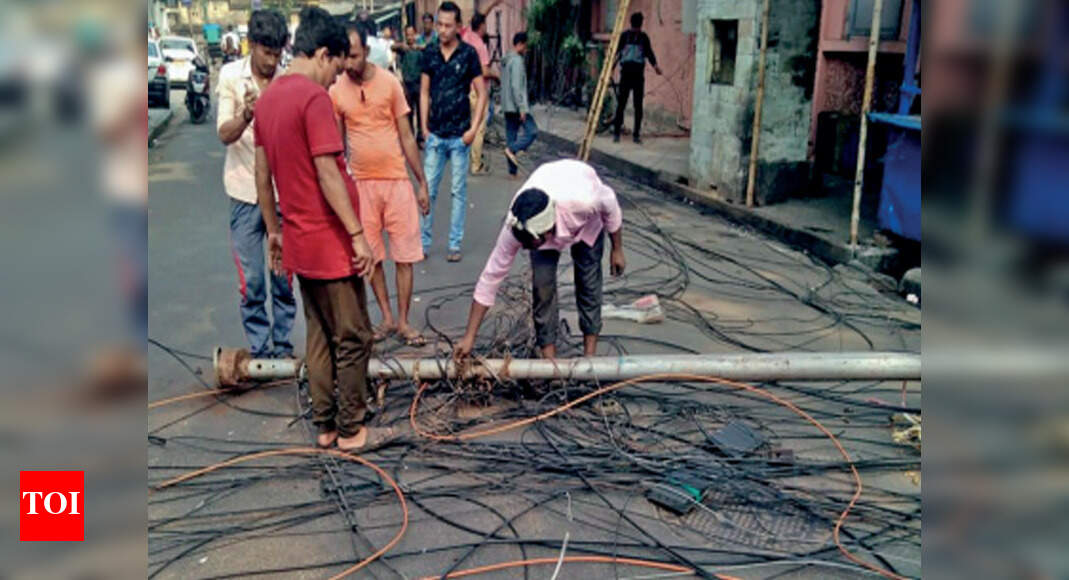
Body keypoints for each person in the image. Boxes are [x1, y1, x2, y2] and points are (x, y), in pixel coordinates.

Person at [253, 6, 386, 452]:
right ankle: (350, 428)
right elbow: (328, 173)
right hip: (329, 242)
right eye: (337, 66)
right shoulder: (313, 99)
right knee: (353, 336)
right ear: (323, 54)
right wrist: (357, 235)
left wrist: (274, 231)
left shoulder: (268, 99)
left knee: (319, 336)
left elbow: (262, 174)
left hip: (299, 241)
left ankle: (325, 424)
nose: (336, 78)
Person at [454, 160, 626, 360]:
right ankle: (549, 361)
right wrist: (469, 337)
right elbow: (490, 277)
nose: (526, 249)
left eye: (530, 244)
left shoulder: (585, 201)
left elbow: (610, 203)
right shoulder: (516, 225)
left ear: (546, 231)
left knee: (588, 283)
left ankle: (590, 356)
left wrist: (617, 249)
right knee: (542, 288)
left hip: (587, 223)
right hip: (548, 203)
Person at [330, 24, 431, 347]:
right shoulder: (337, 91)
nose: (349, 64)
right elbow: (336, 147)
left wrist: (421, 182)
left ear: (367, 51)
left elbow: (406, 136)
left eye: (354, 56)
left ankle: (403, 322)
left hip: (397, 181)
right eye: (345, 57)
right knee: (371, 257)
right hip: (361, 185)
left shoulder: (390, 83)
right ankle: (386, 317)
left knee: (404, 256)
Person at [216, 9, 294, 359]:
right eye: (266, 53)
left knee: (283, 278)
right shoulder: (231, 76)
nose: (272, 61)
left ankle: (283, 347)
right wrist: (247, 114)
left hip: (281, 196)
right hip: (244, 194)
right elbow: (224, 134)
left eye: (277, 54)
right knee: (252, 282)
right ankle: (260, 352)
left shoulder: (288, 80)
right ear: (251, 45)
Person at [419, 1, 487, 263]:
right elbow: (424, 92)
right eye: (440, 24)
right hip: (435, 135)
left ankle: (454, 244)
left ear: (459, 26)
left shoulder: (468, 54)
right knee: (429, 191)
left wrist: (473, 129)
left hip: (460, 136)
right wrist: (424, 128)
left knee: (458, 193)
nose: (443, 30)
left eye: (448, 25)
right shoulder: (430, 52)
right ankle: (423, 243)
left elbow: (482, 94)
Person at [612, 12, 662, 144]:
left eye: (638, 27)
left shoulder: (644, 38)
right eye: (635, 26)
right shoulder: (624, 36)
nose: (636, 29)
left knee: (638, 106)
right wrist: (611, 66)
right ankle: (616, 133)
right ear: (632, 24)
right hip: (625, 74)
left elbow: (649, 53)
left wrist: (655, 66)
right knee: (621, 104)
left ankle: (636, 134)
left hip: (638, 76)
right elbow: (616, 52)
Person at [460, 8, 499, 174]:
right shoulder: (480, 45)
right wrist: (496, 75)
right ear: (481, 26)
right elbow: (483, 71)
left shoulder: (466, 38)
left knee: (469, 126)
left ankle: (469, 160)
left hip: (465, 88)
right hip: (478, 90)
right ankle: (476, 164)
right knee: (478, 128)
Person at [501, 32, 538, 179]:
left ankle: (513, 172)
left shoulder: (507, 59)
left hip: (507, 105)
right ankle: (512, 149)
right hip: (516, 106)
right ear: (521, 44)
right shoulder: (517, 61)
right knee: (532, 131)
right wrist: (522, 107)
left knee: (511, 135)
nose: (526, 49)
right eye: (526, 46)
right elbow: (516, 86)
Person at [394, 24, 424, 141]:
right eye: (408, 35)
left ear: (415, 34)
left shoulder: (419, 49)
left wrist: (420, 47)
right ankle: (410, 135)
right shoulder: (403, 49)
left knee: (420, 111)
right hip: (407, 85)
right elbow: (392, 47)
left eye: (412, 34)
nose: (410, 37)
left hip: (419, 83)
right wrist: (402, 45)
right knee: (409, 111)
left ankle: (420, 136)